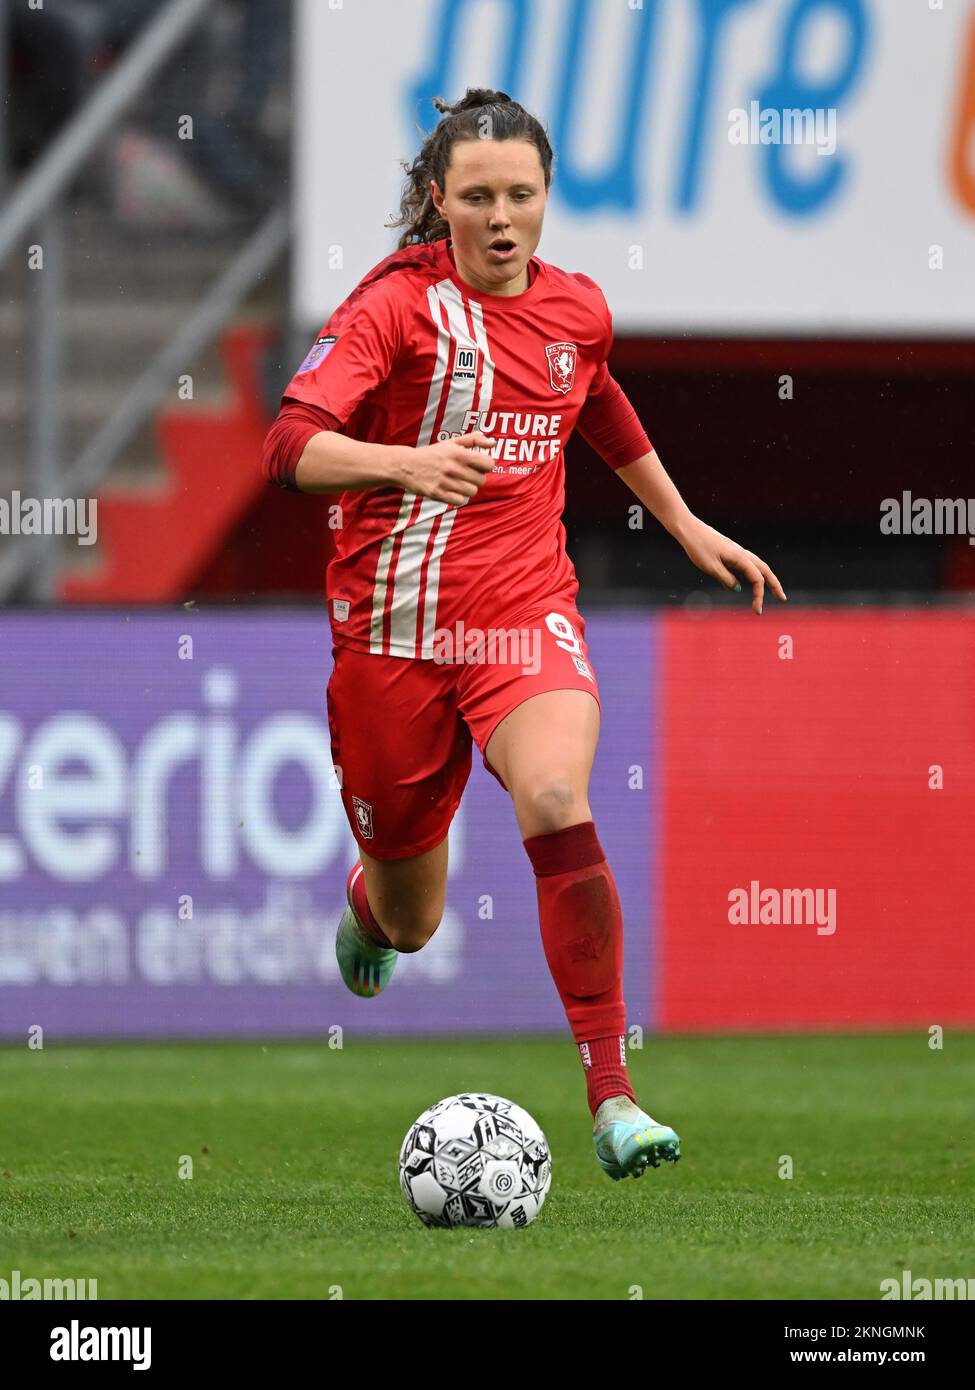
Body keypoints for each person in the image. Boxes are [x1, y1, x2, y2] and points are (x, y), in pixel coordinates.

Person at [261, 88, 786, 1182]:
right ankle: (373, 908)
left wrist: (681, 519)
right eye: (479, 196)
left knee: (556, 795)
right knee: (413, 916)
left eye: (524, 195)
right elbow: (291, 442)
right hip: (393, 636)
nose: (503, 217)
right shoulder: (392, 312)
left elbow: (591, 395)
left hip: (522, 612)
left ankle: (612, 1099)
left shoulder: (578, 309)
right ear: (439, 200)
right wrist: (407, 462)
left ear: (547, 197)